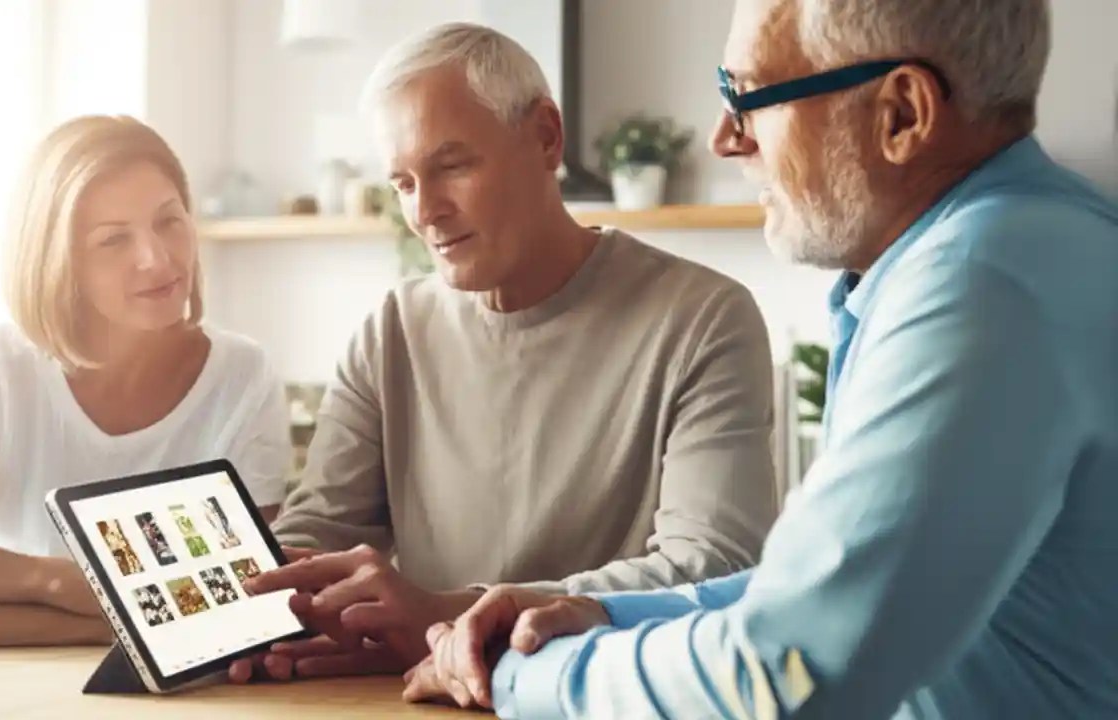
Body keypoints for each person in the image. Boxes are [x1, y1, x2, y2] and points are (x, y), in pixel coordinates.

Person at [407, 0, 1118, 716]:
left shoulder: (981, 285)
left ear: (901, 113)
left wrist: (518, 674)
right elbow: (827, 591)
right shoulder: (1017, 247)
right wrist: (599, 613)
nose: (724, 137)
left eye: (746, 96)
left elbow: (784, 672)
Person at [229, 23, 780, 682]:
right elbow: (321, 530)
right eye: (403, 182)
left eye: (452, 166)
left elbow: (712, 569)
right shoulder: (391, 329)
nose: (426, 210)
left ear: (546, 137)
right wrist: (282, 610)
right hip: (424, 695)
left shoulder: (703, 318)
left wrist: (449, 616)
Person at [0, 115, 293, 648]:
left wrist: (36, 577)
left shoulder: (242, 377)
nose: (157, 259)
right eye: (114, 240)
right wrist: (146, 617)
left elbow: (252, 607)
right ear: (58, 260)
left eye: (169, 221)